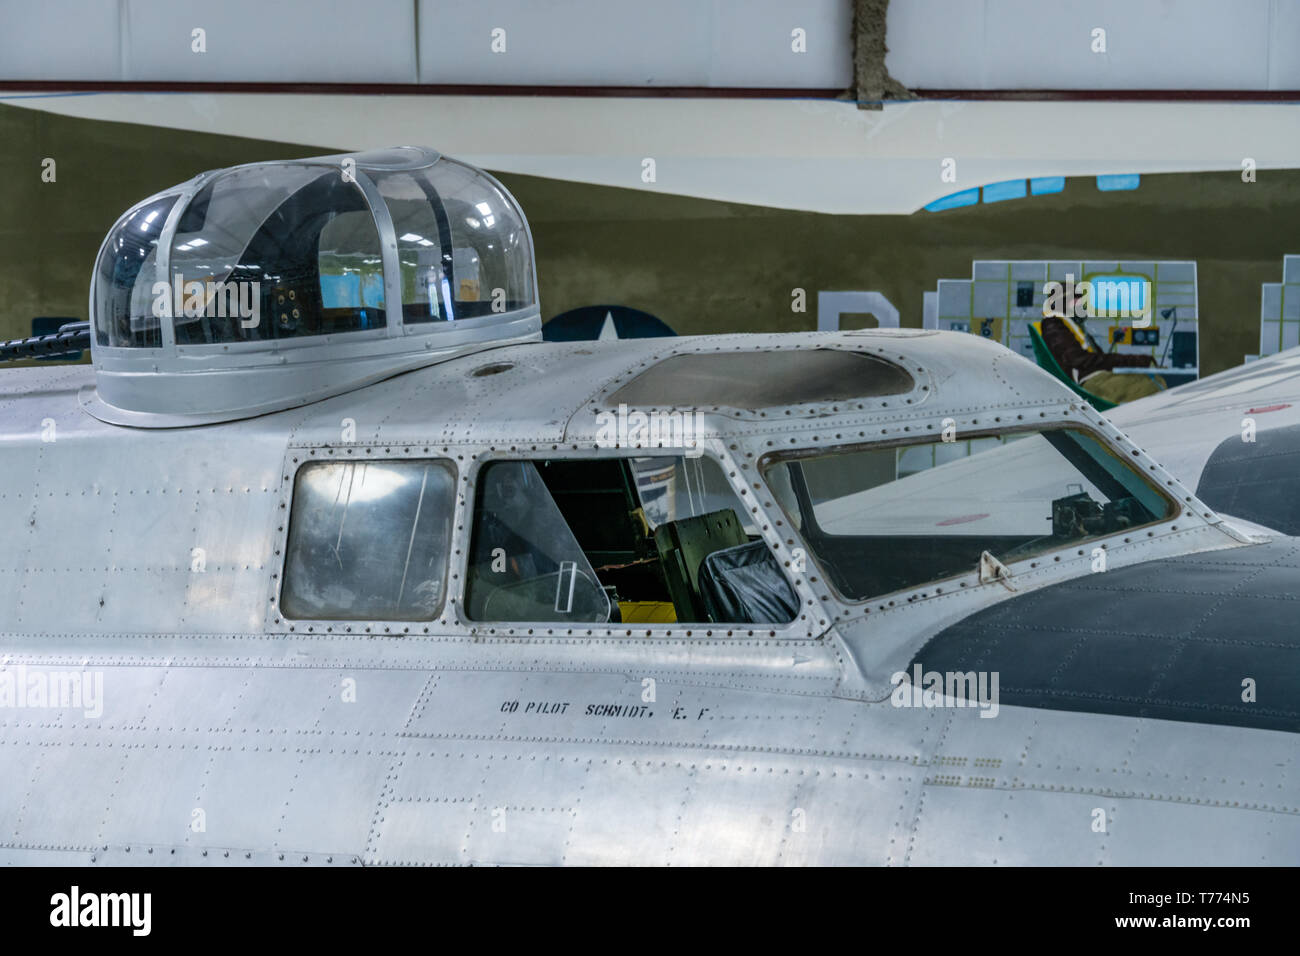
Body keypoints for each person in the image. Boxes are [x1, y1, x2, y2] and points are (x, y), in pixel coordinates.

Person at [1039, 314, 1164, 403]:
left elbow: (1099, 359)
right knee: (1150, 386)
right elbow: (1079, 359)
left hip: (1098, 376)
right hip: (1091, 381)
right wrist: (1135, 361)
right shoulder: (1053, 324)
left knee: (1153, 379)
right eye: (1076, 300)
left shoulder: (1076, 327)